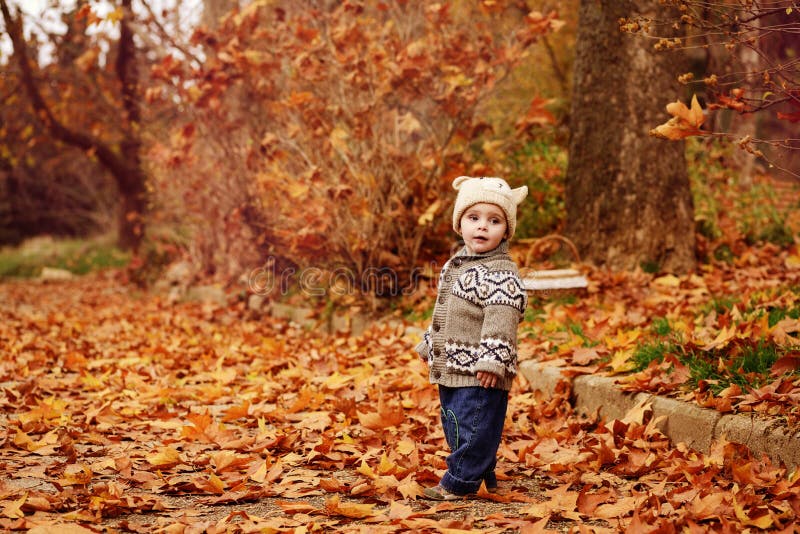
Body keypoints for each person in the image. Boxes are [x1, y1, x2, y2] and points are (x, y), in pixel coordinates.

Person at [416, 175, 528, 500]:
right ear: (459, 224)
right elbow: (447, 313)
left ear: (506, 230)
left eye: (494, 221)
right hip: (452, 366)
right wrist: (428, 342)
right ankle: (482, 469)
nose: (482, 227)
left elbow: (502, 317)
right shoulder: (459, 264)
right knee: (455, 423)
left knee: (475, 426)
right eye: (473, 218)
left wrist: (494, 360)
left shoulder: (500, 272)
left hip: (482, 372)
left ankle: (459, 482)